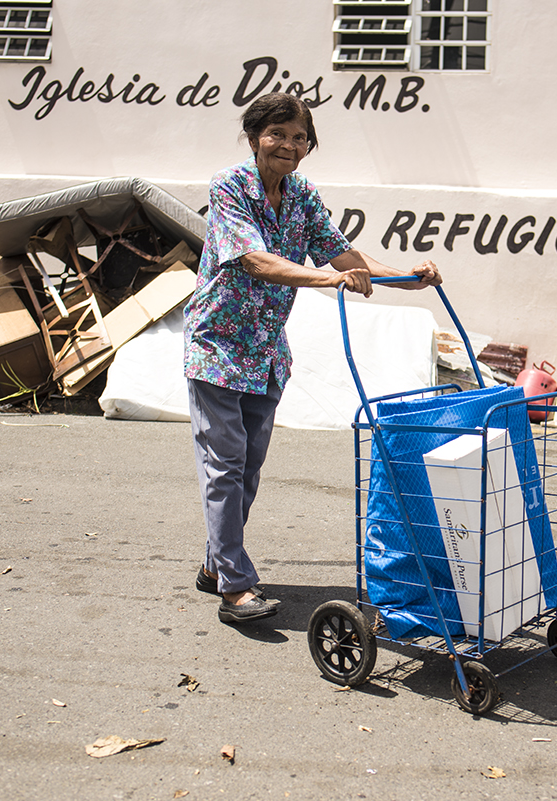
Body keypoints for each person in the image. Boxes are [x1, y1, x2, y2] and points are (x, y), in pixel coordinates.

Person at [184, 93, 441, 623]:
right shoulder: (230, 186)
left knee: (247, 469)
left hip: (266, 353)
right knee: (225, 467)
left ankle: (215, 564)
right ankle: (235, 588)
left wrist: (405, 279)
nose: (289, 145)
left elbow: (342, 252)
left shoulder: (301, 194)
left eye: (300, 137)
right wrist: (329, 279)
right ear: (255, 137)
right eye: (278, 133)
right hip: (217, 348)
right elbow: (254, 259)